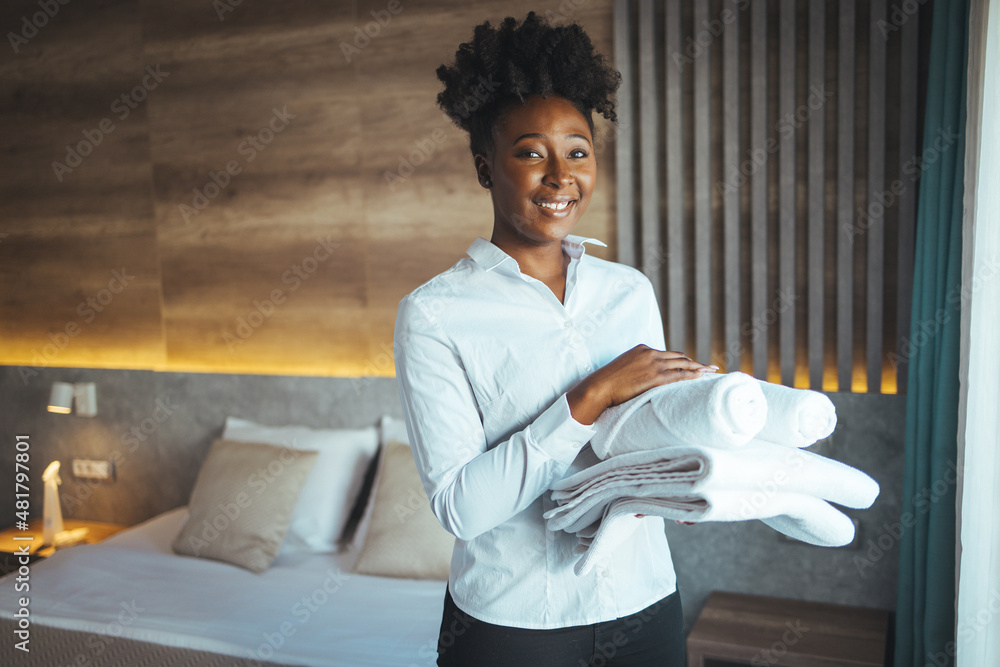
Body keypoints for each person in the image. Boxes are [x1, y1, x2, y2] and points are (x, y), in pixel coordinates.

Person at [394, 12, 716, 666]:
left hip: (644, 604)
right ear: (486, 167)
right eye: (530, 151)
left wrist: (684, 461)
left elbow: (643, 434)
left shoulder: (629, 291)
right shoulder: (434, 314)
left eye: (577, 150)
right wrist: (590, 394)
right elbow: (461, 506)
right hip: (513, 626)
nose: (559, 173)